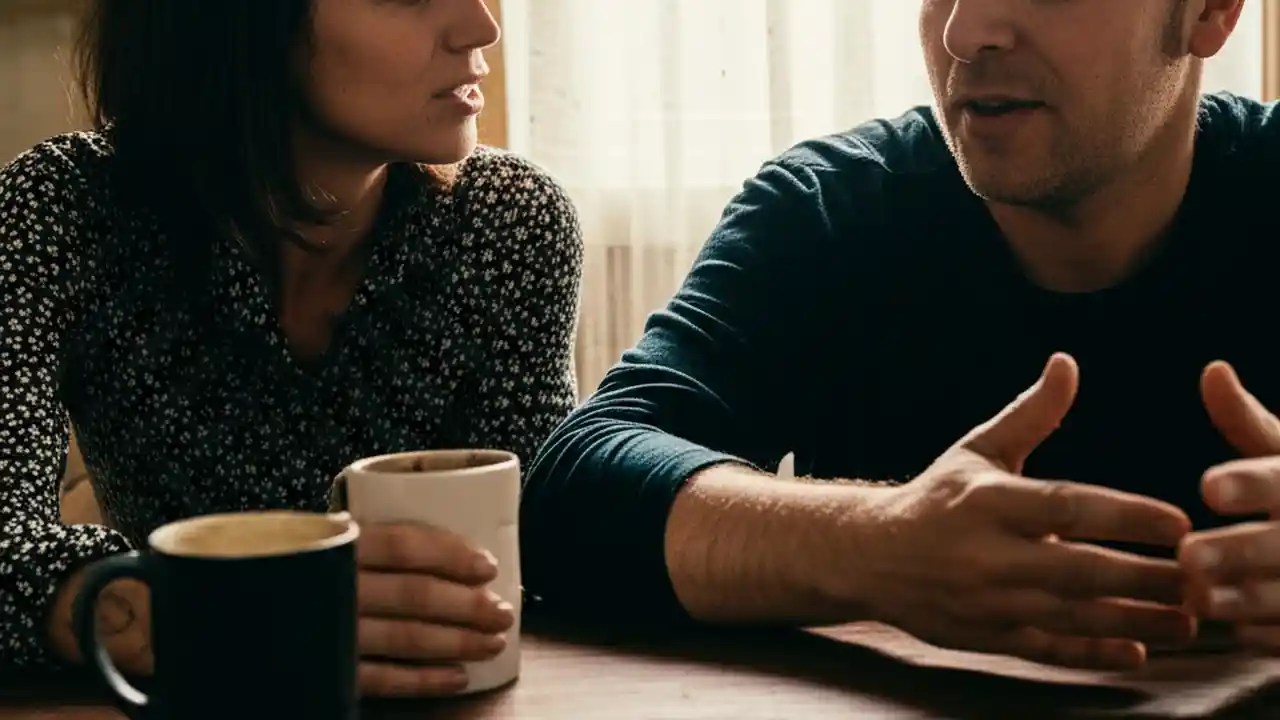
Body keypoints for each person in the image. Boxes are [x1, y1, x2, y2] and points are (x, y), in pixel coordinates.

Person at [521, 0, 1278, 671]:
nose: (964, 29)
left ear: (1210, 11)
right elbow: (574, 491)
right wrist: (878, 546)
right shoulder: (830, 206)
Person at [0, 0, 582, 698]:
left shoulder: (509, 223)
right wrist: (233, 620)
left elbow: (542, 552)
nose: (481, 27)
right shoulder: (62, 211)